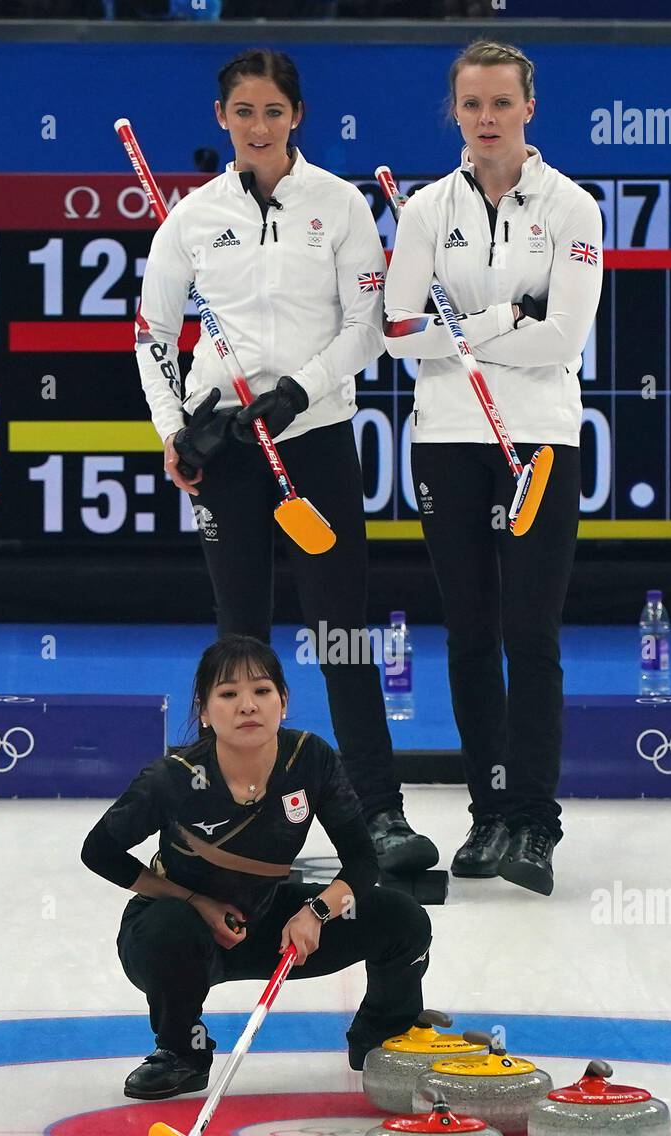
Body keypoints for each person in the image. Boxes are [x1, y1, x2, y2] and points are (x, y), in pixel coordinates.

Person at [135, 47, 437, 878]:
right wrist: (173, 429)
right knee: (238, 643)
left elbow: (366, 324)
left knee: (341, 634)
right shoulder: (192, 218)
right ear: (220, 119)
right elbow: (151, 334)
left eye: (273, 111)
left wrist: (298, 393)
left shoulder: (336, 206)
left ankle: (377, 814)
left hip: (313, 441)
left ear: (296, 116)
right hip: (226, 443)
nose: (258, 127)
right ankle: (220, 823)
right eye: (243, 112)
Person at [383, 39, 603, 896]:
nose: (485, 119)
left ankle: (533, 824)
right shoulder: (427, 211)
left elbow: (565, 340)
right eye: (471, 105)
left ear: (528, 108)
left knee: (530, 636)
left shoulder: (572, 208)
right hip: (446, 437)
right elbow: (401, 338)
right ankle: (488, 811)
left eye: (500, 103)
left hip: (539, 439)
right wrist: (511, 312)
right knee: (470, 635)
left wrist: (463, 333)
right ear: (455, 112)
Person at [81, 635, 432, 1099]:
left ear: (283, 702)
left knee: (401, 917)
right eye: (228, 694)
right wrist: (196, 902)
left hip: (270, 922)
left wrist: (317, 913)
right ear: (204, 711)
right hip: (184, 931)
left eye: (262, 691)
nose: (248, 705)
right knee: (167, 930)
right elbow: (99, 851)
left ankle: (380, 1036)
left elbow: (363, 862)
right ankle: (181, 1052)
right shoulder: (174, 778)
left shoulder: (310, 760)